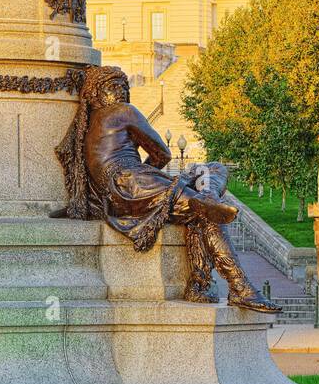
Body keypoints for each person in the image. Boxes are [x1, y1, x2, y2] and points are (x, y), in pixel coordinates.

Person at [53, 64, 280, 312]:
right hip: (133, 180)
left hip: (118, 193)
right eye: (112, 86)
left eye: (122, 86)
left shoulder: (86, 124)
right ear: (96, 93)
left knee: (202, 196)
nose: (119, 91)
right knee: (209, 191)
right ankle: (241, 288)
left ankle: (199, 283)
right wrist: (151, 177)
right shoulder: (123, 111)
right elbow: (162, 154)